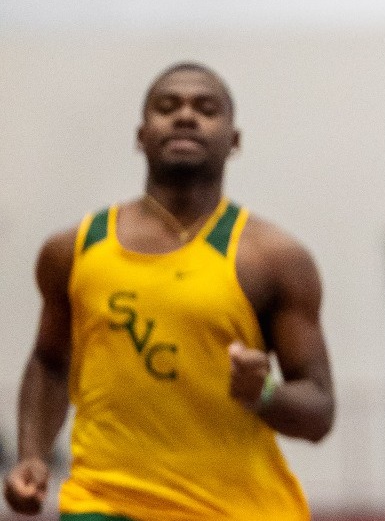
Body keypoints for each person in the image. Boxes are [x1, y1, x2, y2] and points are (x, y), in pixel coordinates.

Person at [4, 62, 335, 520]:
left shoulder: (274, 259)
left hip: (237, 509)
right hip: (103, 503)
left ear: (234, 140)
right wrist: (32, 455)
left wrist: (264, 393)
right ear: (141, 135)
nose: (185, 116)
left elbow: (320, 411)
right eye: (167, 106)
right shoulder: (75, 249)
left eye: (206, 108)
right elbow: (49, 362)